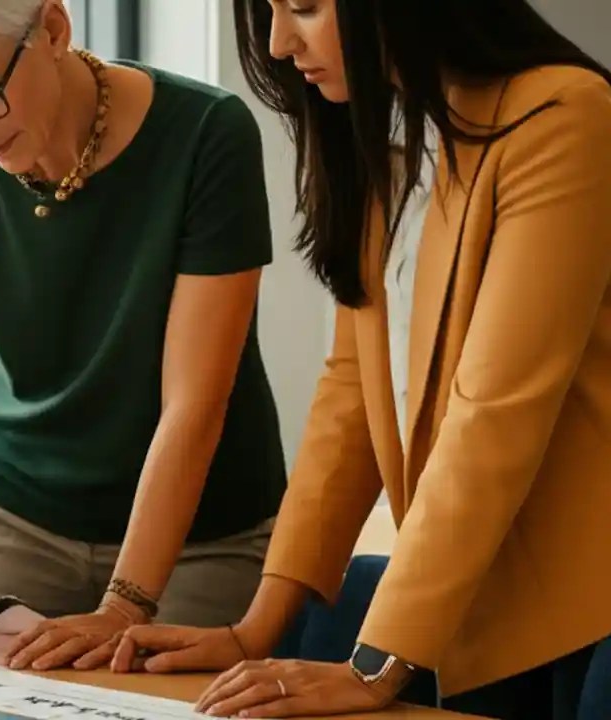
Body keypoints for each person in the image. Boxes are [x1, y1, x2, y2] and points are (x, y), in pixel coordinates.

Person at [104, 1, 611, 718]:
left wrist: (374, 667)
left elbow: (495, 412)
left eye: (305, 7)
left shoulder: (564, 117)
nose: (280, 43)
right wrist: (257, 629)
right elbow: (349, 402)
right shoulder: (389, 134)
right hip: (480, 596)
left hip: (589, 599)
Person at [0, 0, 286, 671]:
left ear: (55, 30)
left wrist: (123, 607)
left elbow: (194, 403)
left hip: (205, 533)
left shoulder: (207, 133)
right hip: (12, 510)